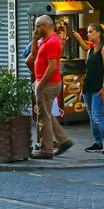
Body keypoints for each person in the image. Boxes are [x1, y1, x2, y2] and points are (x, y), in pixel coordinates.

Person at [32, 15, 73, 158]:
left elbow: (52, 66)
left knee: (43, 118)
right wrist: (34, 39)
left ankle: (46, 150)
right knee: (46, 115)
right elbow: (33, 56)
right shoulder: (44, 41)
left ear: (47, 26)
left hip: (48, 84)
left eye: (38, 26)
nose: (35, 29)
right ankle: (64, 140)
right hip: (44, 82)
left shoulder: (53, 42)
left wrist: (40, 85)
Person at [82, 23, 104, 153]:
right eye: (88, 32)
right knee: (91, 116)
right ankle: (97, 142)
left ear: (98, 33)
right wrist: (82, 89)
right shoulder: (90, 50)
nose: (88, 34)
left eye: (90, 32)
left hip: (98, 87)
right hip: (88, 87)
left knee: (97, 116)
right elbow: (88, 70)